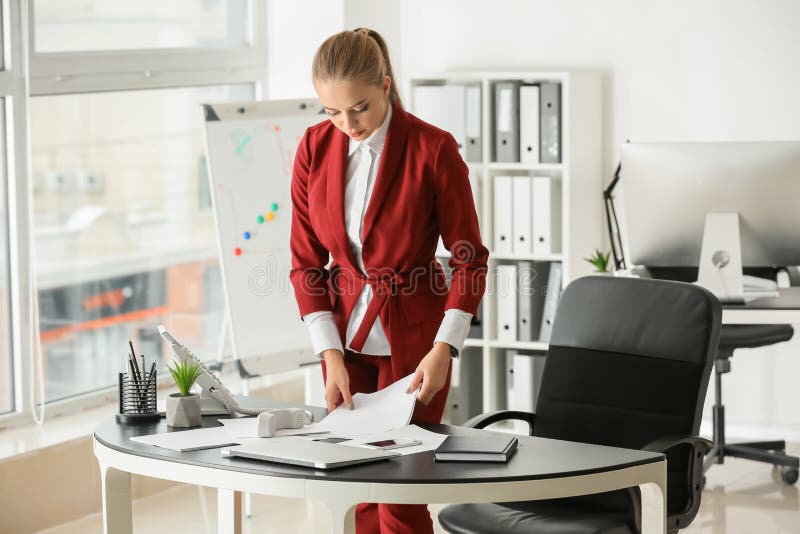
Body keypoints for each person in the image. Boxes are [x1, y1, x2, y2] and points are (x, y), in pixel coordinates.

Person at [289, 27, 488, 534]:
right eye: (331, 111)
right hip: (345, 341)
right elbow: (305, 263)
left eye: (358, 107)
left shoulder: (434, 149)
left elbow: (468, 260)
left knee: (399, 496)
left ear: (385, 84)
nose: (346, 123)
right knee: (353, 491)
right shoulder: (314, 147)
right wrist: (328, 354)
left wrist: (447, 348)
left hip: (419, 342)